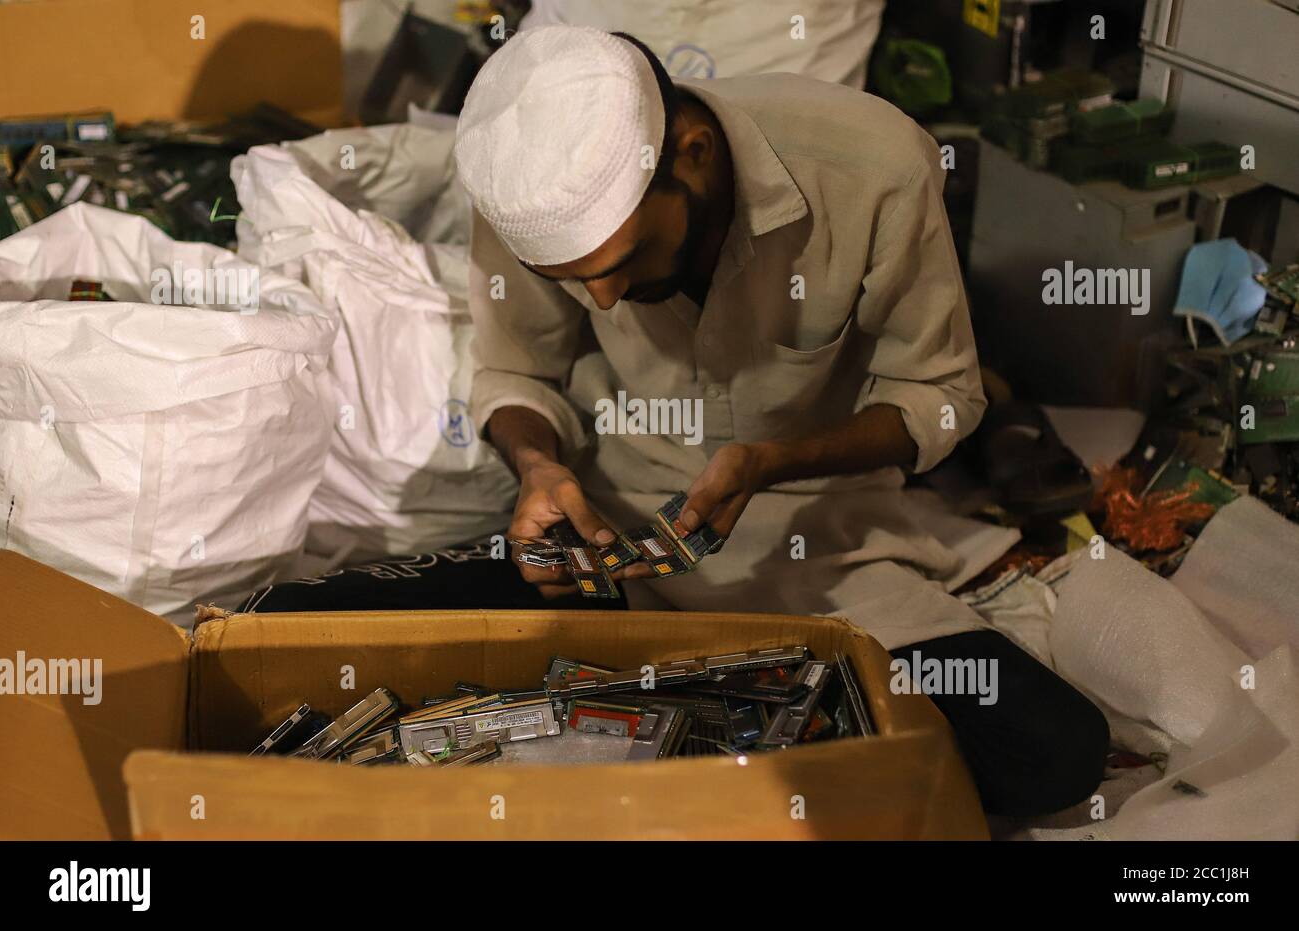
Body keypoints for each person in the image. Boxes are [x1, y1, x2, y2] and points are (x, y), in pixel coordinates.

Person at [453, 25, 1108, 816]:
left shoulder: (872, 167)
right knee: (380, 661)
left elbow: (938, 394)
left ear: (691, 152)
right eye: (572, 278)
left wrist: (771, 462)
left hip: (825, 555)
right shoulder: (521, 191)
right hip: (611, 541)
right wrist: (539, 468)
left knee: (1058, 752)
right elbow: (517, 371)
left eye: (620, 261)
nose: (603, 299)